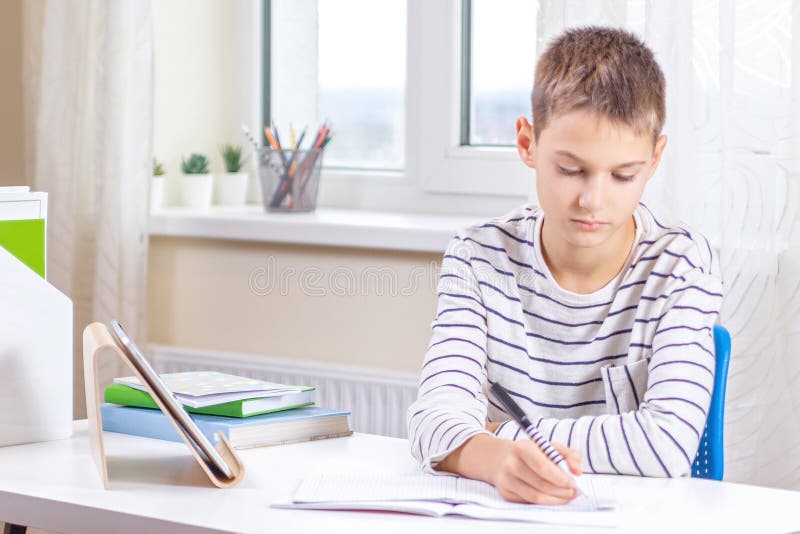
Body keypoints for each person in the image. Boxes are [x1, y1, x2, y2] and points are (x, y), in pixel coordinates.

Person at [406, 26, 724, 506]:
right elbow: (433, 416)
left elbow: (669, 443)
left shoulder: (681, 264)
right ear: (527, 143)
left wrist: (500, 436)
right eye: (570, 170)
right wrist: (497, 462)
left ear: (655, 159)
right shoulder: (477, 257)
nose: (593, 200)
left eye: (623, 175)